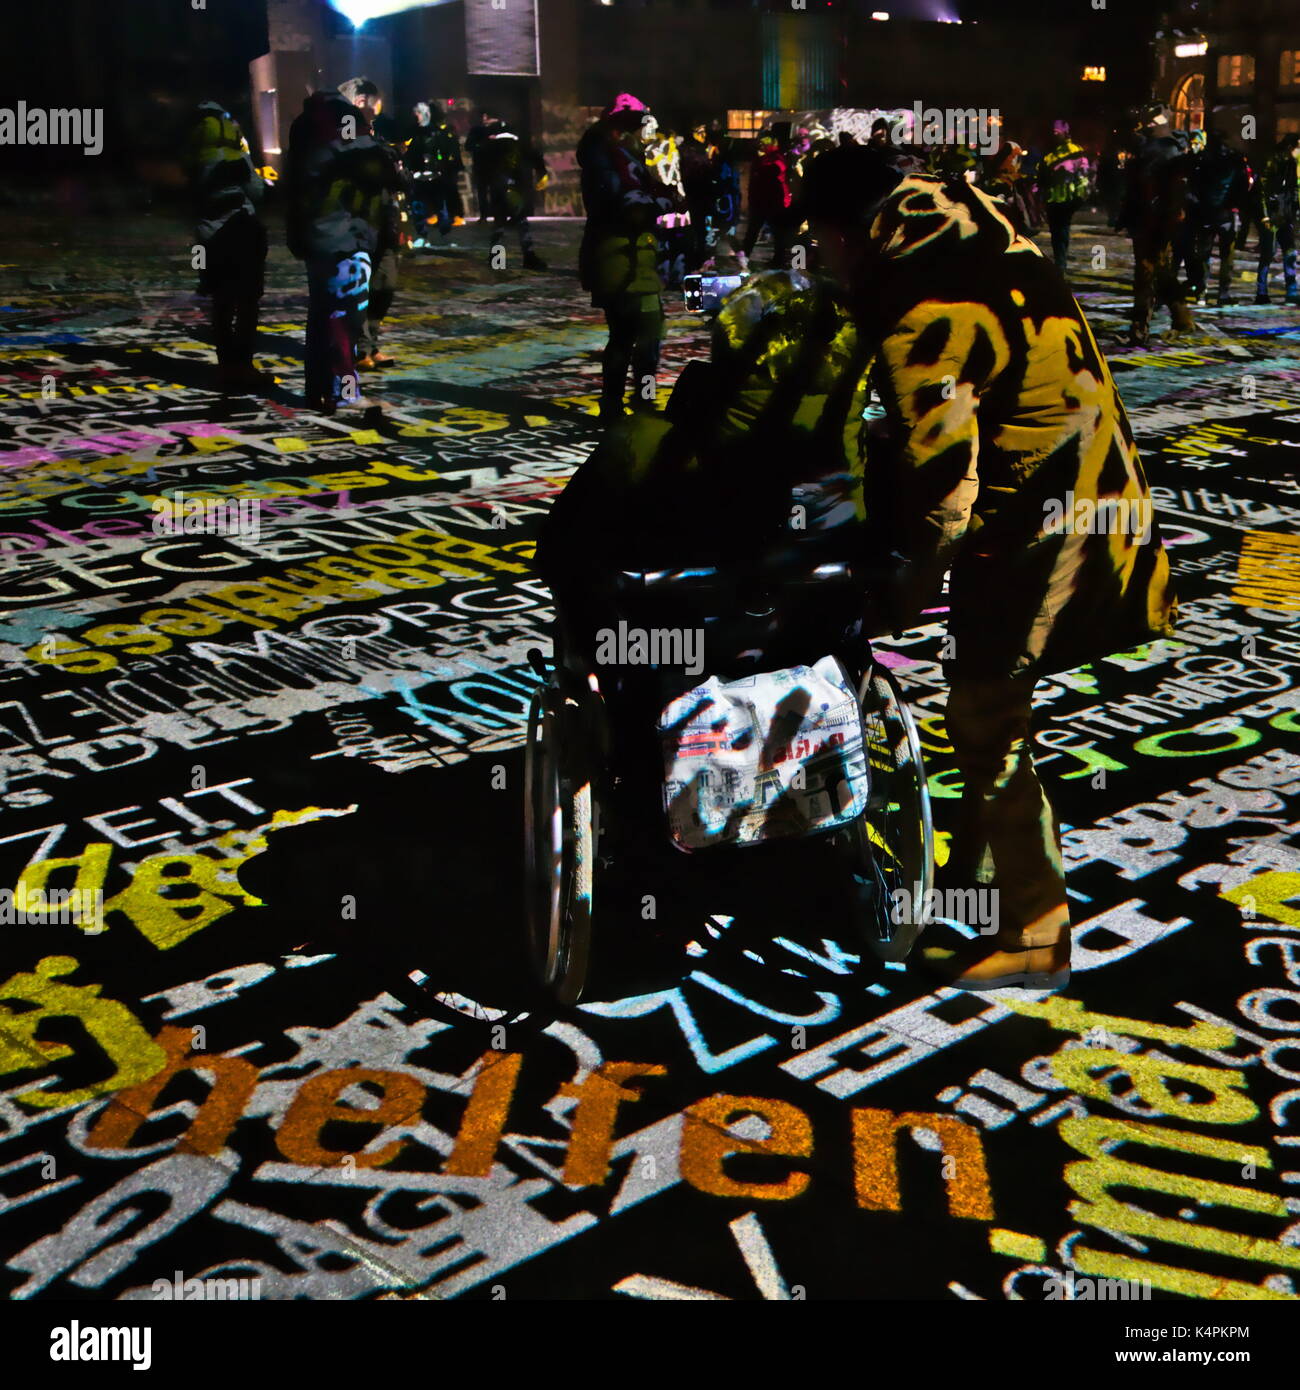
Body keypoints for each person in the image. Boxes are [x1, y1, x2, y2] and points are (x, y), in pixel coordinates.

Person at [284, 90, 405, 413]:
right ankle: (345, 393)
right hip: (347, 240)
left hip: (319, 240)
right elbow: (394, 173)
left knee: (323, 317)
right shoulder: (353, 149)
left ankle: (319, 391)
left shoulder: (309, 145)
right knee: (345, 318)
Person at [577, 93, 678, 423]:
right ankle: (643, 402)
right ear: (622, 129)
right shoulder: (614, 160)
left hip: (622, 260)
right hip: (624, 263)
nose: (644, 133)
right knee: (648, 336)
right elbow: (631, 209)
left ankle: (613, 406)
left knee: (623, 338)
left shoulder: (611, 157)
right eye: (639, 126)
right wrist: (665, 204)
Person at [185, 100, 270, 392]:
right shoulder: (238, 155)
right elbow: (257, 191)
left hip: (208, 235)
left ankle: (225, 368)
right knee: (247, 302)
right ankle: (243, 366)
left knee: (221, 303)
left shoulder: (194, 156)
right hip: (242, 230)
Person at [338, 77, 407, 369]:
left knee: (385, 286)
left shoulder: (378, 135)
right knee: (360, 289)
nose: (370, 106)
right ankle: (359, 348)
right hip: (358, 224)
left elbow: (399, 179)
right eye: (363, 99)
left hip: (385, 222)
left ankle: (371, 343)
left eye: (372, 99)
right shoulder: (345, 131)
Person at [1116, 105, 1194, 346]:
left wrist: (1162, 221)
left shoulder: (1162, 151)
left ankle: (1140, 330)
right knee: (1159, 273)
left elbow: (1168, 192)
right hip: (1150, 221)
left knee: (1146, 276)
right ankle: (1180, 318)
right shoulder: (1155, 149)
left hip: (1154, 223)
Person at [1180, 128, 1251, 307]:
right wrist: (1234, 205)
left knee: (1204, 254)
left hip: (1205, 214)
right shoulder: (1235, 160)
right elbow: (1243, 187)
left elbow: (1192, 185)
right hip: (1226, 215)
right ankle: (1223, 294)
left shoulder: (1202, 159)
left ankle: (1202, 292)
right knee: (1227, 256)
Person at [477, 111, 548, 270]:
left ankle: (497, 260)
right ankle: (529, 257)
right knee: (521, 222)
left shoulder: (488, 146)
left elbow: (481, 169)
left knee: (499, 224)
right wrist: (541, 174)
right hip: (515, 189)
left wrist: (485, 186)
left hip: (497, 188)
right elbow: (537, 157)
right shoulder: (519, 144)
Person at [405, 101, 464, 246]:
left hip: (435, 175)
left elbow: (446, 152)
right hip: (420, 175)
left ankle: (444, 234)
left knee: (439, 205)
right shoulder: (415, 133)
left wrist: (443, 167)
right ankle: (423, 234)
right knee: (419, 206)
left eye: (419, 114)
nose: (416, 117)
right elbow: (411, 153)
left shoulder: (438, 134)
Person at [1037, 120, 1091, 274]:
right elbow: (1042, 177)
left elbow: (1083, 173)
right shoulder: (1049, 155)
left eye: (1057, 131)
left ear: (1065, 132)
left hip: (1067, 198)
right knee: (1056, 231)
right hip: (1053, 198)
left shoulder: (1074, 150)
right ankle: (1060, 259)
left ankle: (1061, 262)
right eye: (1053, 132)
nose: (1054, 134)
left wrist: (1081, 195)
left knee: (1061, 229)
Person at [1253, 132, 1300, 305]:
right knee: (1267, 254)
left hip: (1285, 214)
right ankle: (1261, 292)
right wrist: (1265, 215)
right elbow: (1262, 189)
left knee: (1290, 253)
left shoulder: (1290, 162)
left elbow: (1293, 188)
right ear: (1290, 146)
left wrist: (1294, 208)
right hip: (1272, 215)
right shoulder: (1272, 160)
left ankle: (1291, 290)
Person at [742, 131, 793, 269]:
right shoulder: (762, 159)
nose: (762, 144)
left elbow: (774, 171)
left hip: (774, 202)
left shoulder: (778, 158)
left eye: (765, 141)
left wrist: (760, 170)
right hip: (760, 201)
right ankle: (744, 257)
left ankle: (779, 260)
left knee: (778, 233)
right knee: (753, 231)